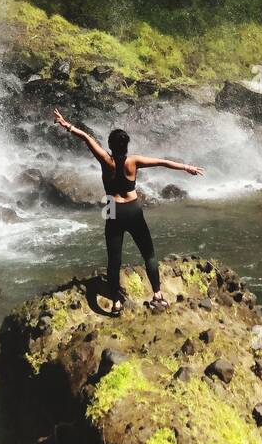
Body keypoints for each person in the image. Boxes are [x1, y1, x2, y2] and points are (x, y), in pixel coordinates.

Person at [53, 108, 203, 315]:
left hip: (112, 208)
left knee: (114, 259)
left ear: (111, 145)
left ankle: (115, 302)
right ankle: (157, 295)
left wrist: (66, 124)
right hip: (133, 209)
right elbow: (162, 162)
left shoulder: (106, 160)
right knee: (148, 254)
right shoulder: (134, 161)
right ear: (126, 145)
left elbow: (86, 138)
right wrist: (186, 167)